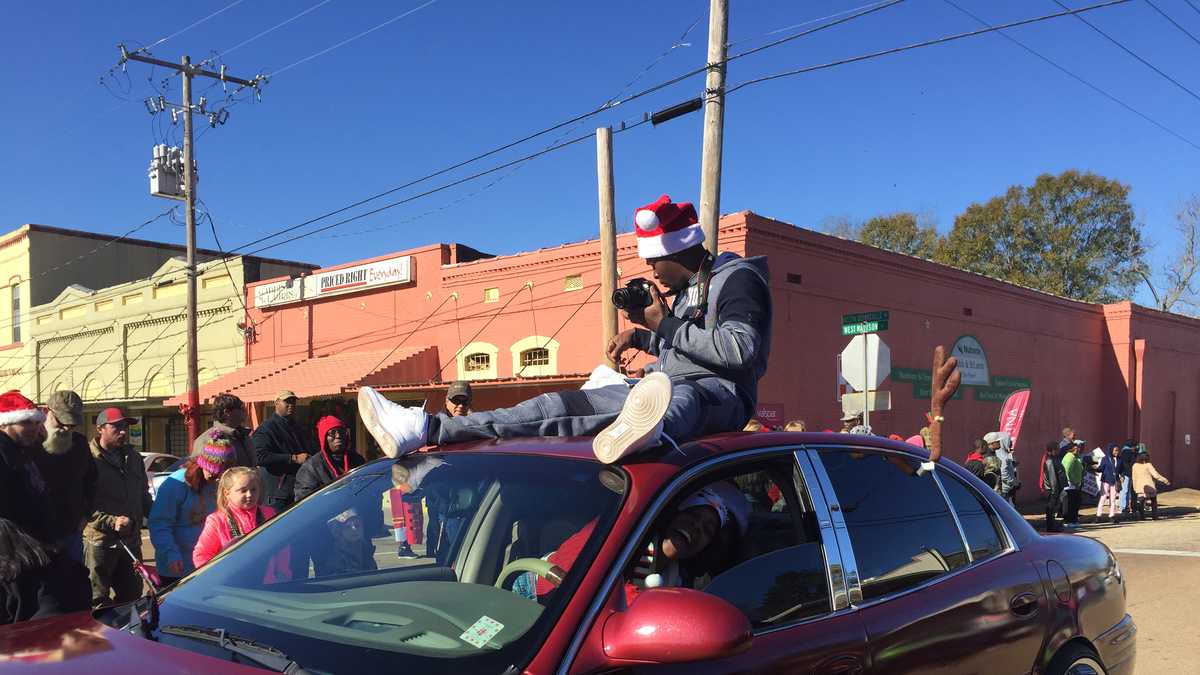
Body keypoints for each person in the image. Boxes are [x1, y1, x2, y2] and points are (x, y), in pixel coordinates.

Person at [358, 195, 771, 464]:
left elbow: (741, 351)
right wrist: (643, 337)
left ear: (676, 249)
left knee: (678, 397)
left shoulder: (738, 279)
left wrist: (663, 323)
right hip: (663, 385)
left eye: (652, 261)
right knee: (555, 407)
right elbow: (685, 347)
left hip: (719, 397)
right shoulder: (684, 291)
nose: (650, 271)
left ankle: (653, 433)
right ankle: (426, 429)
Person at [0, 391, 90, 623]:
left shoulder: (23, 450)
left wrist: (84, 515)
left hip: (53, 540)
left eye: (35, 422)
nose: (32, 427)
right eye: (25, 422)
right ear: (6, 423)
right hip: (18, 555)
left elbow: (91, 481)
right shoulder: (8, 453)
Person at [84, 407, 152, 608]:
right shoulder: (88, 459)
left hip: (131, 541)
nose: (123, 431)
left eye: (125, 426)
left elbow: (142, 495)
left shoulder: (134, 458)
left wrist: (158, 516)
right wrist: (111, 522)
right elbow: (81, 503)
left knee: (132, 597)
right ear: (100, 429)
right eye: (116, 427)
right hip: (100, 543)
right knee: (97, 600)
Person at [149, 433, 236, 585]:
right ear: (204, 465)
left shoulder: (221, 484)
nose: (217, 480)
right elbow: (160, 524)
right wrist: (171, 554)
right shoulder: (175, 484)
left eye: (222, 475)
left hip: (209, 564)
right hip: (177, 566)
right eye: (214, 475)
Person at [30, 391, 96, 564]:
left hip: (71, 531)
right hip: (36, 536)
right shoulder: (29, 444)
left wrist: (85, 514)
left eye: (72, 424)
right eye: (62, 422)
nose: (67, 428)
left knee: (74, 584)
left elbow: (92, 481)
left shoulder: (80, 444)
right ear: (46, 411)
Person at [192, 467, 288, 582]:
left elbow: (281, 547)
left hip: (268, 582)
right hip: (232, 587)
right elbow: (201, 555)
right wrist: (215, 578)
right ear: (227, 493)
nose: (249, 495)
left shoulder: (269, 513)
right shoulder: (217, 520)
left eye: (253, 490)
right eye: (243, 490)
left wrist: (283, 572)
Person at [254, 391, 312, 512]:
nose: (291, 405)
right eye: (287, 401)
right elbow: (259, 456)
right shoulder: (267, 427)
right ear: (276, 403)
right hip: (277, 495)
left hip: (298, 490)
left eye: (293, 402)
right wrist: (293, 458)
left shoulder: (296, 427)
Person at [293, 415, 364, 502]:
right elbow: (305, 503)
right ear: (324, 438)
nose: (338, 436)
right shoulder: (311, 467)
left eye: (341, 432)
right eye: (333, 433)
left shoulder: (358, 460)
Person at [192, 393, 254, 467]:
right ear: (227, 412)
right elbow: (199, 471)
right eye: (241, 408)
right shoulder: (207, 440)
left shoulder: (243, 436)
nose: (245, 411)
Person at [318, 508, 378, 577]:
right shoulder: (335, 558)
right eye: (347, 527)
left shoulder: (366, 550)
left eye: (357, 525)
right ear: (339, 531)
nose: (354, 529)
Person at [1131, 449, 1170, 519]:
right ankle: (1154, 516)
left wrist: (1134, 487)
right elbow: (1156, 475)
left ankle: (1142, 516)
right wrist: (1164, 480)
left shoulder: (1135, 466)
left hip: (1139, 487)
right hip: (1150, 486)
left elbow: (1134, 477)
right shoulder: (1148, 465)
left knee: (1141, 502)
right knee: (1153, 501)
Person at [983, 431, 1020, 504]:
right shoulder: (993, 457)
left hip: (1001, 491)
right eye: (998, 441)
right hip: (998, 492)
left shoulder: (998, 454)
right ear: (991, 443)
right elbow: (1001, 473)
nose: (1000, 442)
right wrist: (1012, 483)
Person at [1039, 441, 1066, 532]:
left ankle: (1053, 524)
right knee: (1050, 507)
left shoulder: (1055, 458)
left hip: (1055, 488)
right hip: (1051, 489)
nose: (1059, 450)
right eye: (1058, 449)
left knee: (1053, 507)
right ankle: (1051, 526)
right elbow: (1052, 477)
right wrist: (1055, 490)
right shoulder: (1049, 461)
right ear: (1054, 450)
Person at [1095, 444, 1122, 523]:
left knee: (1113, 499)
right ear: (1111, 450)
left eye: (1117, 450)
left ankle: (1111, 516)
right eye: (1115, 450)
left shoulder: (1120, 459)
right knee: (1103, 497)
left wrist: (1122, 476)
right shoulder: (1105, 459)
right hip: (1105, 480)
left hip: (1114, 481)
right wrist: (1095, 468)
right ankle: (1098, 516)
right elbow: (1101, 468)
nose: (1117, 452)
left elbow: (1121, 469)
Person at [1060, 441, 1084, 528]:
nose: (1078, 449)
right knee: (1070, 504)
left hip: (1076, 484)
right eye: (1076, 448)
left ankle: (1074, 520)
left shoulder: (1075, 457)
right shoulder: (1069, 457)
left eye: (1078, 448)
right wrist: (1073, 481)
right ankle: (1068, 521)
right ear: (1071, 449)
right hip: (1070, 485)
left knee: (1075, 504)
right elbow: (1067, 471)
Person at [1117, 440, 1138, 514]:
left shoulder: (1127, 452)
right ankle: (1123, 507)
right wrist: (1122, 474)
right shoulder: (1127, 453)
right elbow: (1124, 464)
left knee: (1126, 491)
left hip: (1128, 474)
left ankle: (1125, 507)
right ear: (1132, 446)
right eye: (1135, 446)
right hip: (1127, 474)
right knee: (1125, 490)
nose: (1136, 448)